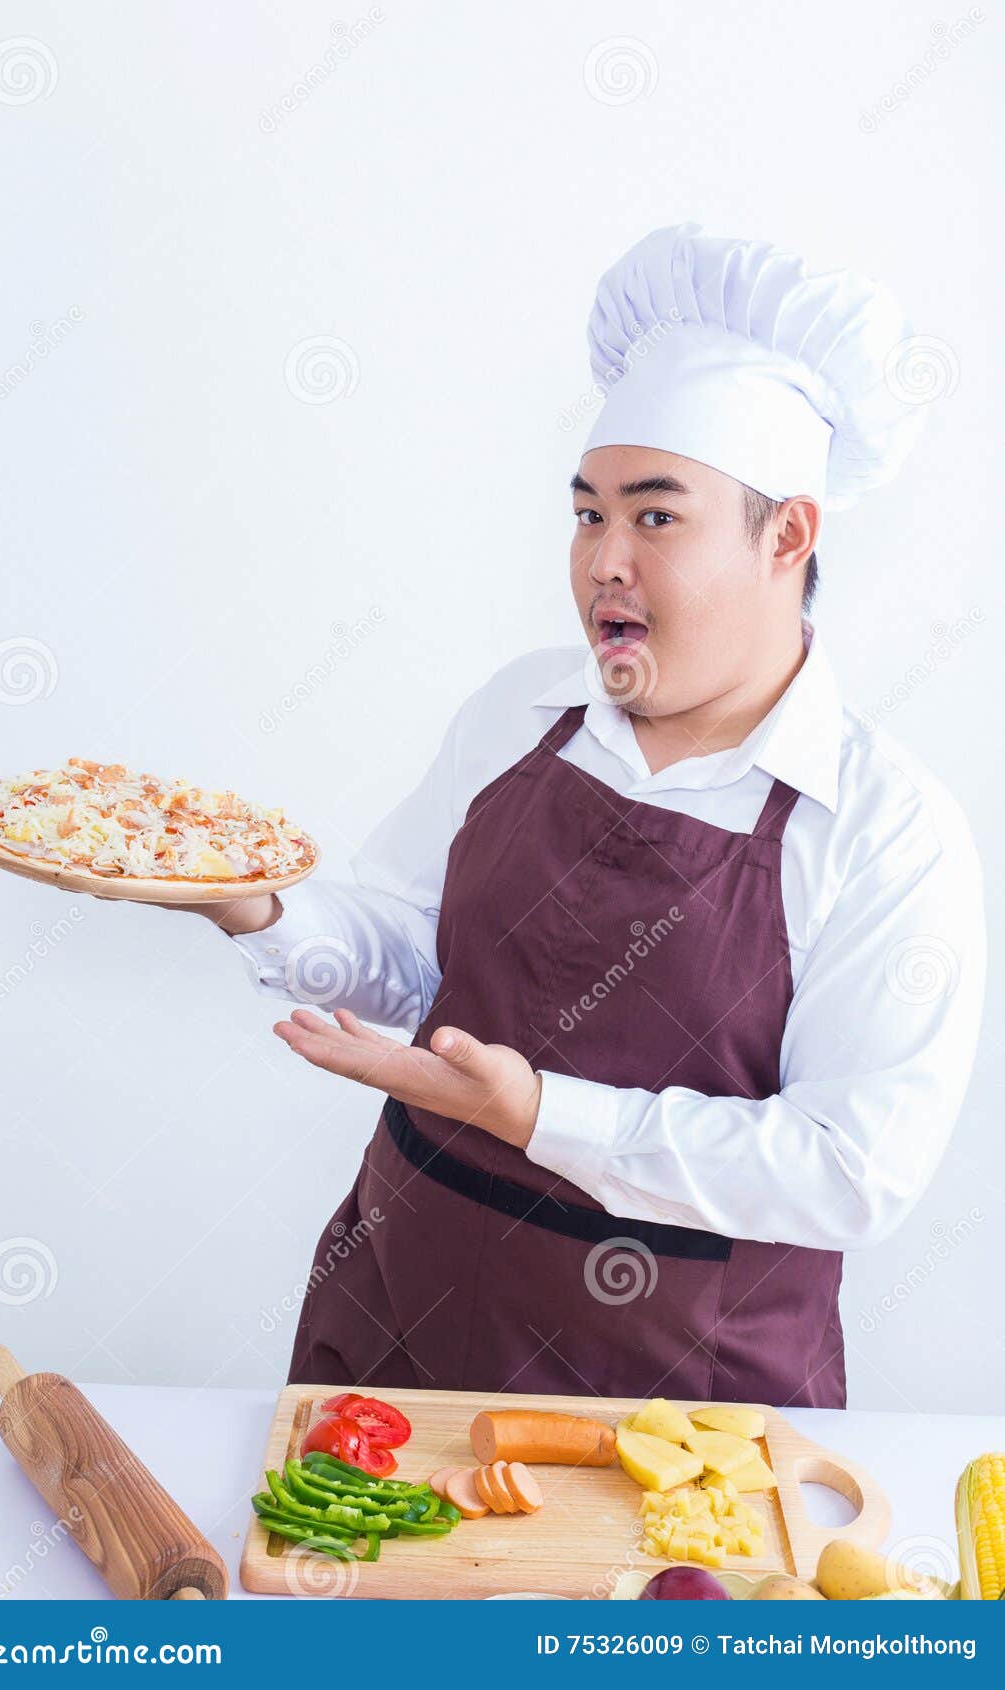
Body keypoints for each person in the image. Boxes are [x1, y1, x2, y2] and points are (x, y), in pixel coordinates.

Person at [183, 223, 985, 1406]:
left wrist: (540, 1112)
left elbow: (849, 1168)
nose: (603, 561)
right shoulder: (522, 710)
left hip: (675, 1408)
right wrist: (249, 902)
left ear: (788, 534)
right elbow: (414, 955)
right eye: (585, 514)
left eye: (654, 518)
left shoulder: (883, 829)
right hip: (397, 1325)